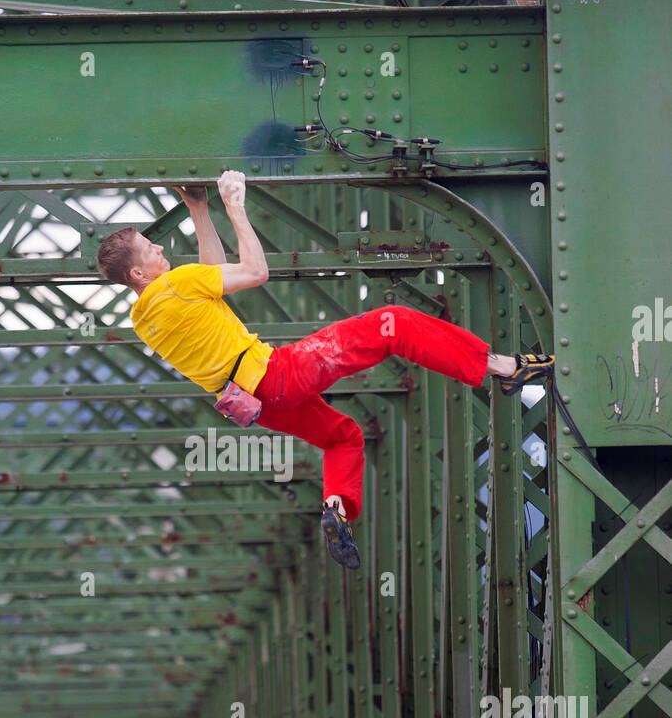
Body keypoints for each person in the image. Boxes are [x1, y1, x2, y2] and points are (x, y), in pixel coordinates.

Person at [96, 171, 553, 569]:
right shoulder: (176, 282)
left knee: (343, 436)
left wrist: (198, 209)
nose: (159, 246)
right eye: (149, 248)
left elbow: (215, 275)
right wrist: (234, 207)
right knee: (391, 324)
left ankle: (336, 506)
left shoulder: (145, 320)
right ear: (138, 274)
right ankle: (502, 366)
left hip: (255, 404)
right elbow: (253, 272)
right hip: (275, 374)